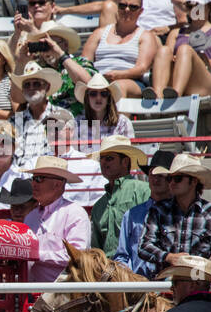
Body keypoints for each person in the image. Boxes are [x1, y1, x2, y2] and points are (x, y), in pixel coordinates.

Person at [140, 154, 211, 281]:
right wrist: (168, 257)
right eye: (169, 178)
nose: (171, 183)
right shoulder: (158, 211)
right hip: (165, 287)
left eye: (177, 178)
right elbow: (144, 246)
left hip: (199, 288)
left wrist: (203, 276)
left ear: (193, 181)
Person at [19, 153, 91, 282]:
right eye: (33, 178)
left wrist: (36, 255)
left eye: (39, 179)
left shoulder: (75, 214)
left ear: (58, 184)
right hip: (30, 291)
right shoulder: (30, 217)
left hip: (64, 295)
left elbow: (78, 256)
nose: (34, 183)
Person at [151, 0, 211, 101]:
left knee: (185, 50)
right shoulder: (176, 33)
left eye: (198, 5)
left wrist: (209, 62)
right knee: (164, 51)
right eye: (190, 6)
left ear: (209, 7)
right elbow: (166, 59)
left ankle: (176, 94)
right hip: (176, 77)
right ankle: (157, 95)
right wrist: (178, 59)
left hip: (206, 80)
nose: (194, 10)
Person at [81, 0, 158, 100]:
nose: (127, 10)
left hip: (131, 82)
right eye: (122, 6)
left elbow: (141, 68)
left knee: (117, 86)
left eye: (133, 7)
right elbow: (84, 63)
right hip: (97, 81)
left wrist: (118, 75)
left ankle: (117, 118)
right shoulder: (99, 33)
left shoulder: (145, 36)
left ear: (140, 11)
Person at [113, 150, 174, 278]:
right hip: (138, 286)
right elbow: (122, 256)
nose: (156, 179)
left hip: (170, 286)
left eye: (161, 175)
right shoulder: (131, 215)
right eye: (152, 174)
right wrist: (130, 279)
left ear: (171, 180)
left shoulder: (180, 214)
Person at [85, 135, 149, 256]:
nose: (103, 163)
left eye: (109, 158)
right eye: (101, 159)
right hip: (107, 270)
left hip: (136, 267)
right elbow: (96, 250)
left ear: (125, 162)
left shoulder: (144, 190)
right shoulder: (99, 206)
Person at [9, 61, 72, 171]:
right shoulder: (14, 121)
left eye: (37, 84)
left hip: (51, 176)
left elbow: (70, 153)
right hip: (20, 177)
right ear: (22, 90)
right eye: (27, 85)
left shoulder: (64, 117)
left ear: (47, 87)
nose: (32, 88)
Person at [71, 73, 133, 147]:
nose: (98, 98)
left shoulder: (123, 122)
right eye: (93, 93)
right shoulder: (77, 122)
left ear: (109, 98)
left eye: (104, 94)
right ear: (87, 98)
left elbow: (129, 150)